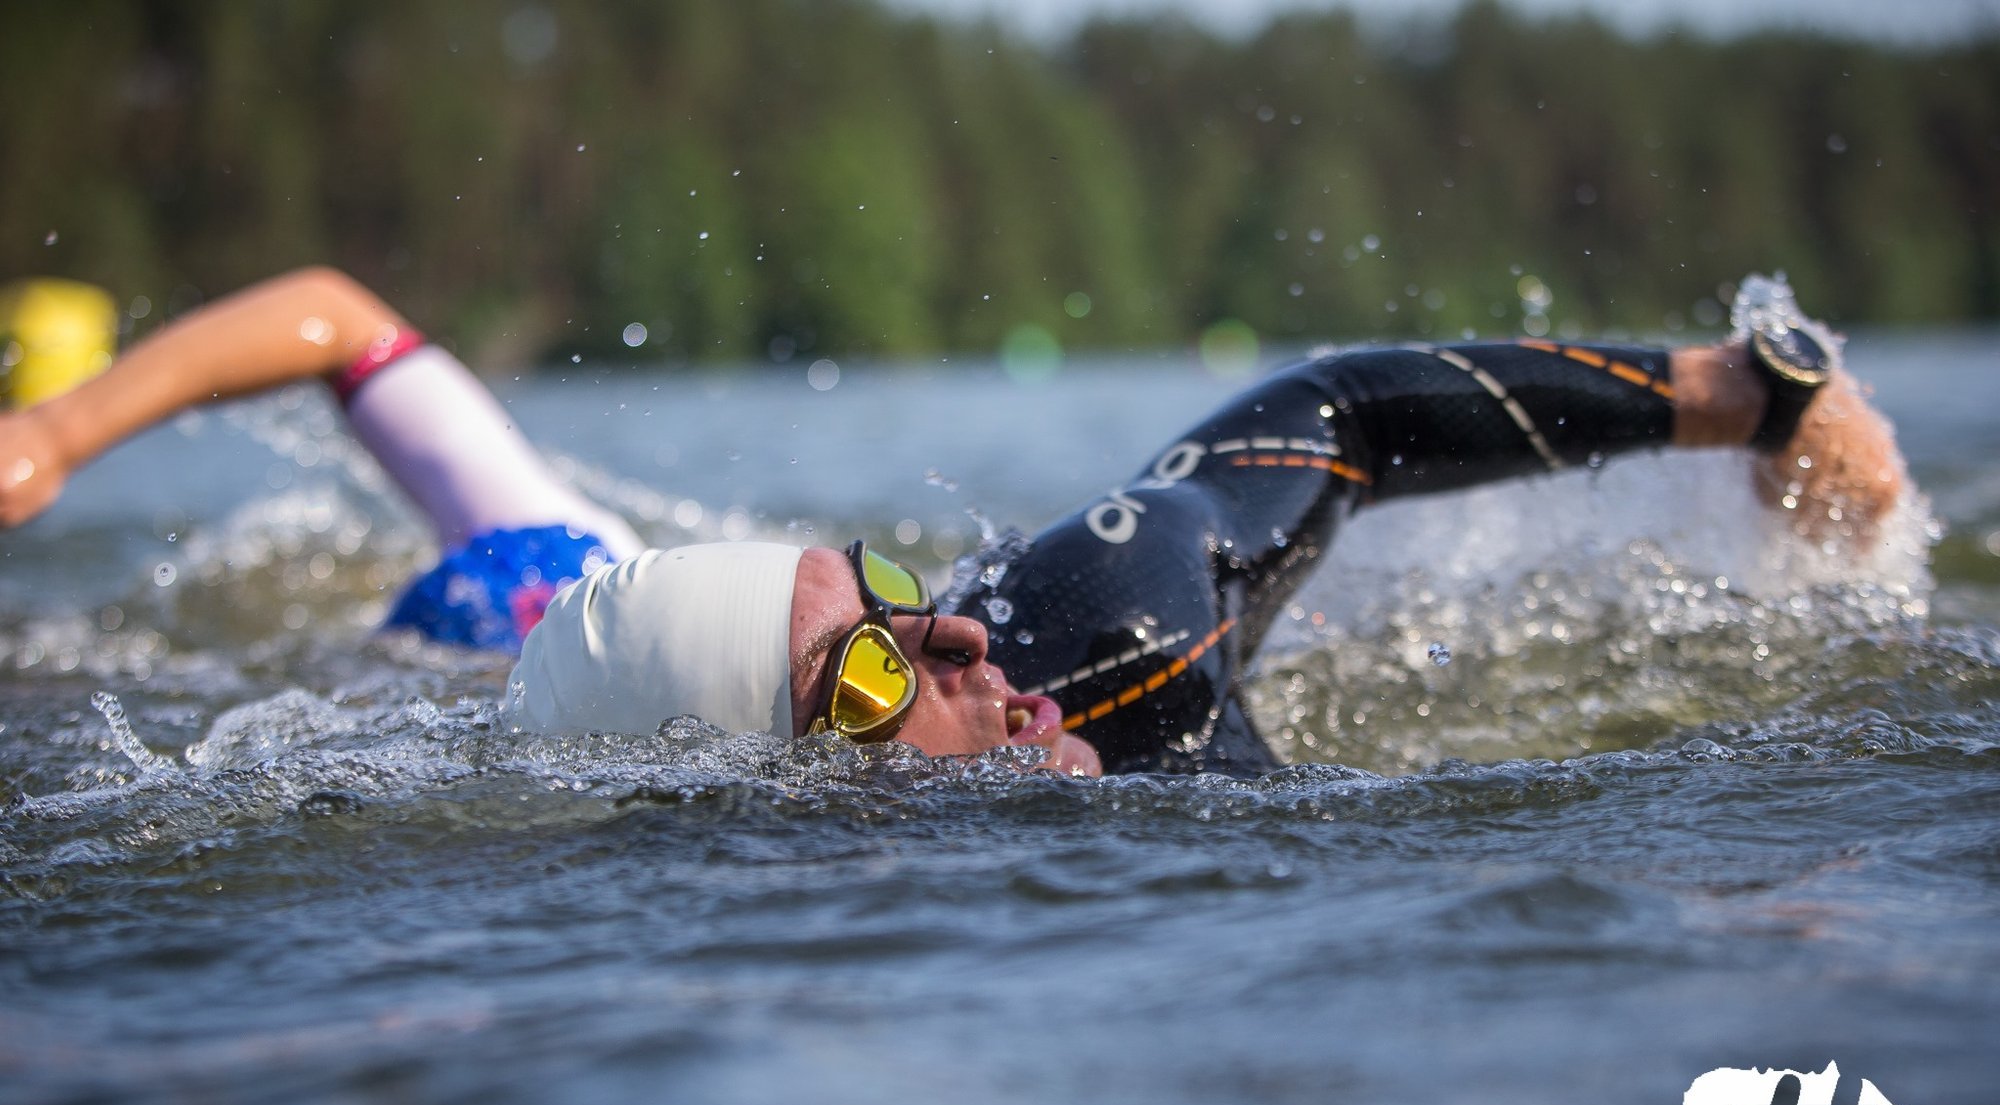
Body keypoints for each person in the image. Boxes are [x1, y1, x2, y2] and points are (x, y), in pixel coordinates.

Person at [0, 267, 1905, 778]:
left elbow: (1322, 409)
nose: (969, 639)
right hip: (470, 651)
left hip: (568, 600)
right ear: (764, 782)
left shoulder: (1092, 624)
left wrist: (1738, 398)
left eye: (906, 597)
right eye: (867, 680)